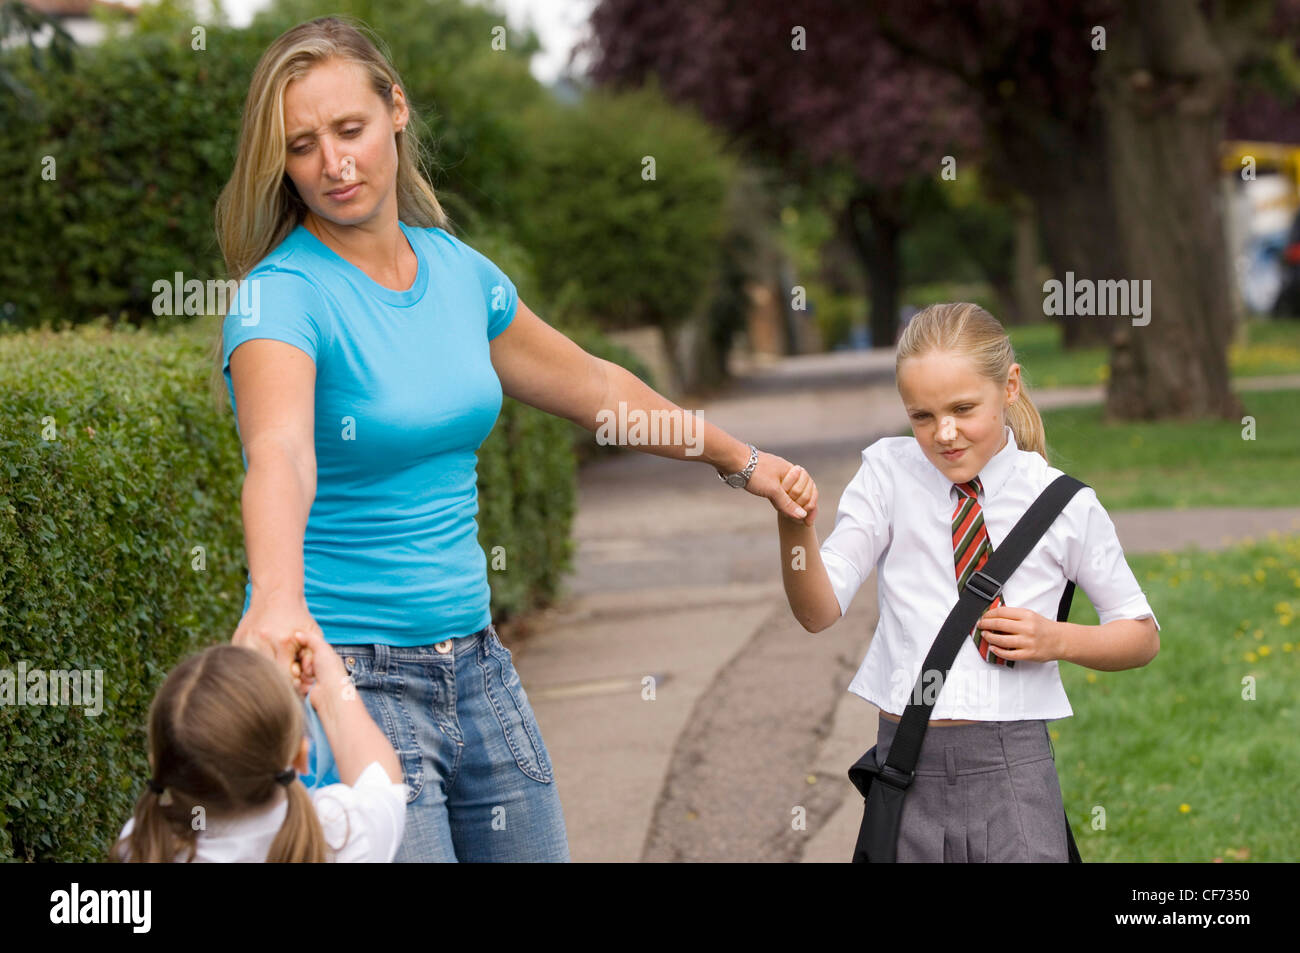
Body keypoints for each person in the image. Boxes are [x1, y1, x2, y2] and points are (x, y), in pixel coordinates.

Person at [210, 15, 809, 862]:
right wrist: (275, 596)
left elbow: (599, 388)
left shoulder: (457, 273)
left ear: (397, 111)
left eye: (350, 129)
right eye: (303, 145)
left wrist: (740, 458)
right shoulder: (282, 301)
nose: (334, 163)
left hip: (478, 666)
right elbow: (281, 452)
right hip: (350, 677)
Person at [776, 301, 1161, 862]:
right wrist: (795, 528)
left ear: (1009, 387)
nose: (944, 434)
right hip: (906, 768)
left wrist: (1057, 640)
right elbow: (817, 611)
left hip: (1012, 769)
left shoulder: (1064, 504)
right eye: (922, 416)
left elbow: (1141, 635)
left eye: (962, 408)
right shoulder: (887, 475)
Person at [108, 631, 407, 862]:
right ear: (301, 758)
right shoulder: (337, 833)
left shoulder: (142, 845)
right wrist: (333, 684)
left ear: (158, 764)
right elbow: (380, 777)